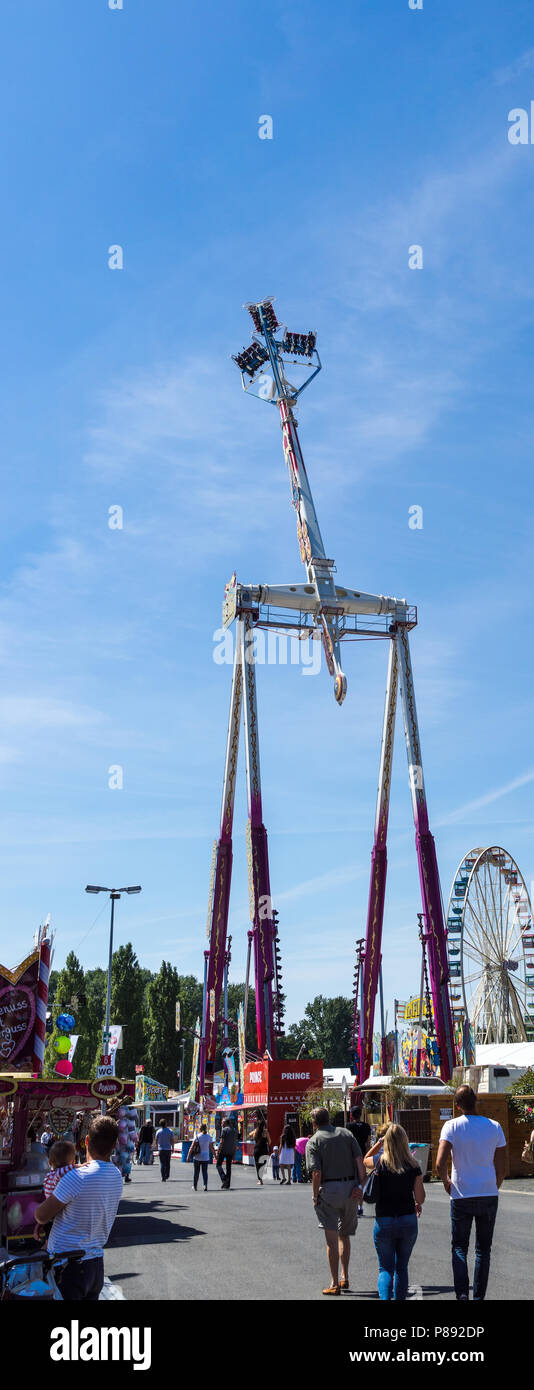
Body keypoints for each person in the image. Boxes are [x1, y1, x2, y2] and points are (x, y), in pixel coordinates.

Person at [33, 1115, 122, 1301]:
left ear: (87, 1140)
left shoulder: (77, 1178)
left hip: (69, 1265)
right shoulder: (116, 1176)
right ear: (114, 1145)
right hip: (95, 1264)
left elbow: (41, 1215)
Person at [436, 1085, 506, 1302]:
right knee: (483, 1250)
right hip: (487, 1192)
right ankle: (479, 1296)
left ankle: (462, 1294)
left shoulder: (451, 1127)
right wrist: (495, 1184)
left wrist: (447, 1181)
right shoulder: (495, 1126)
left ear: (457, 1105)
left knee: (459, 1246)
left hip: (461, 1193)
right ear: (476, 1100)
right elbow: (502, 1166)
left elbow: (439, 1163)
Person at [306, 1106, 366, 1295]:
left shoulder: (313, 1141)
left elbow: (316, 1172)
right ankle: (345, 1276)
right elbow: (360, 1161)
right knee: (344, 1236)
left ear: (314, 1123)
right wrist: (360, 1186)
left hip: (329, 1191)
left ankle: (334, 1283)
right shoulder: (346, 1134)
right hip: (350, 1189)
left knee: (331, 1240)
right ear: (329, 1119)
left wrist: (316, 1196)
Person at [370, 1123, 425, 1301]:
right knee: (401, 1267)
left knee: (385, 1268)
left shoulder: (379, 1162)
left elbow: (365, 1158)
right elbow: (420, 1197)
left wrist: (379, 1143)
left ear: (387, 1141)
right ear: (404, 1141)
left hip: (384, 1219)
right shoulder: (413, 1164)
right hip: (407, 1218)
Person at [346, 1106, 371, 1214]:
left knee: (352, 1180)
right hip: (363, 1156)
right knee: (362, 1181)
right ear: (361, 1114)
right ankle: (360, 1206)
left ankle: (352, 1205)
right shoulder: (366, 1126)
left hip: (352, 1157)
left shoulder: (349, 1126)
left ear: (351, 1115)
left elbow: (347, 1142)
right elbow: (368, 1143)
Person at [188, 1124, 216, 1191]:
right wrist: (215, 1155)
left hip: (197, 1157)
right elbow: (212, 1148)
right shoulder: (209, 1137)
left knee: (196, 1172)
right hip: (205, 1157)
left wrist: (188, 1156)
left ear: (200, 1129)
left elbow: (192, 1147)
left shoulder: (197, 1136)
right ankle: (205, 1185)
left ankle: (195, 1186)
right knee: (204, 1172)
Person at [216, 1117, 237, 1189]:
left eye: (222, 1122)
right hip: (231, 1151)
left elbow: (222, 1141)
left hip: (223, 1150)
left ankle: (224, 1179)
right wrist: (234, 1152)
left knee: (218, 1165)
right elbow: (235, 1143)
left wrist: (218, 1150)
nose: (221, 1124)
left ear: (226, 1123)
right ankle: (227, 1184)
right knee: (228, 1168)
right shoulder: (234, 1130)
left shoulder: (224, 1130)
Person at [253, 1118, 270, 1185]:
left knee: (257, 1165)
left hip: (257, 1149)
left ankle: (260, 1180)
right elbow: (270, 1141)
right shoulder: (266, 1132)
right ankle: (261, 1177)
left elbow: (254, 1138)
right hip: (264, 1150)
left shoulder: (256, 1131)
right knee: (262, 1164)